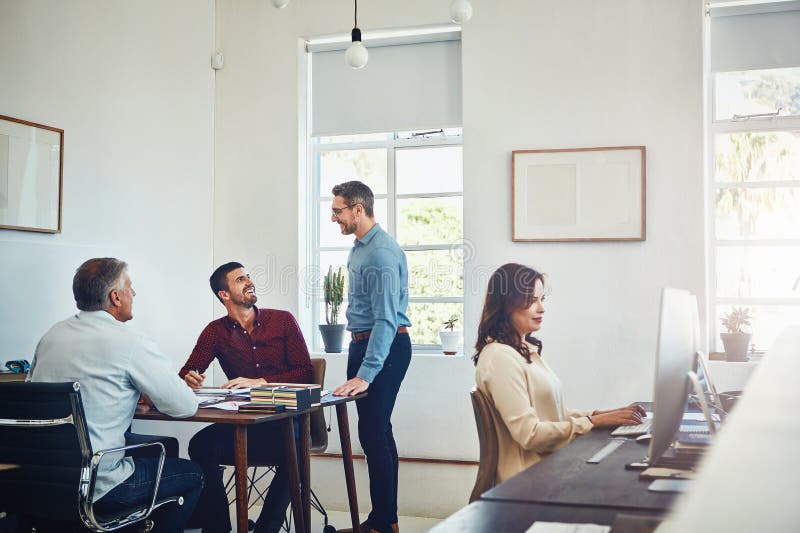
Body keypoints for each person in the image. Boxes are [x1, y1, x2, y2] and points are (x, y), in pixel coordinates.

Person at [28, 258, 202, 533]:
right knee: (192, 474)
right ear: (115, 297)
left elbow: (35, 399)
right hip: (100, 484)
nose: (134, 294)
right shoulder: (130, 341)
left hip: (42, 479)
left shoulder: (51, 336)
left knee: (164, 445)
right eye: (130, 287)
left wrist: (134, 391)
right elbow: (185, 406)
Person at [473, 263, 645, 483]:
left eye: (542, 299)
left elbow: (552, 414)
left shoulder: (522, 350)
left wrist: (601, 415)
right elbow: (530, 434)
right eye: (532, 300)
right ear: (507, 304)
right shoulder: (500, 358)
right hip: (527, 478)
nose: (541, 308)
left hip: (547, 467)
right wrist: (593, 422)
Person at [179, 261, 313, 533]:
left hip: (288, 422)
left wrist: (262, 382)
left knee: (296, 447)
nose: (249, 281)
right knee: (200, 445)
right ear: (224, 295)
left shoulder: (283, 320)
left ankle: (267, 528)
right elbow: (190, 368)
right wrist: (189, 376)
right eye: (240, 279)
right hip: (245, 425)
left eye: (248, 276)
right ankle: (217, 527)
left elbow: (306, 372)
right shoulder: (215, 331)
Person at [330, 181, 412, 533]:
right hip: (362, 343)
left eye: (338, 211)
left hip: (386, 346)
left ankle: (381, 524)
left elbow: (386, 319)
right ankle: (385, 521)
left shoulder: (381, 252)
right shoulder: (360, 247)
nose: (334, 217)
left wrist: (367, 372)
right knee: (376, 431)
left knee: (374, 432)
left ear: (358, 210)